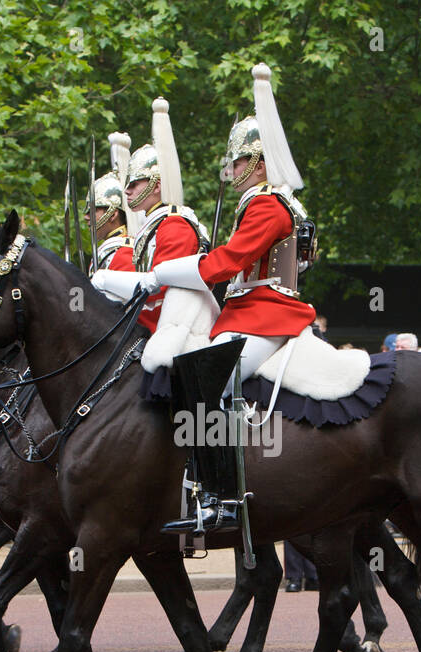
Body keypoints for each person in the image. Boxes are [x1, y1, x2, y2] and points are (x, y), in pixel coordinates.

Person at [126, 65, 315, 534]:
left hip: (268, 314)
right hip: (249, 311)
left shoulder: (269, 204)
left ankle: (223, 496)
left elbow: (225, 264)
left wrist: (166, 272)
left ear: (256, 161)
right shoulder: (266, 203)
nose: (228, 171)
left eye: (235, 162)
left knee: (210, 380)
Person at [91, 100, 208, 332]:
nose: (127, 191)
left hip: (171, 325)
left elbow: (161, 294)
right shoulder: (155, 226)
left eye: (134, 184)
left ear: (156, 186)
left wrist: (104, 281)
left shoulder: (175, 225)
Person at [87, 133, 137, 275]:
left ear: (113, 214)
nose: (86, 217)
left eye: (94, 210)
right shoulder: (108, 249)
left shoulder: (124, 252)